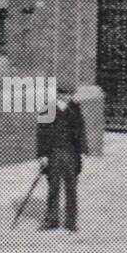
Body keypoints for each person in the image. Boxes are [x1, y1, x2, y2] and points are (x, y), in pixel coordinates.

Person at [36, 91, 87, 231]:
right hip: (53, 154)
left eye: (68, 93)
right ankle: (52, 220)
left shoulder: (75, 108)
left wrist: (82, 151)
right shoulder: (47, 108)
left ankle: (71, 222)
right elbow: (41, 132)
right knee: (53, 188)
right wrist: (42, 155)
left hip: (71, 153)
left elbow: (80, 130)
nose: (66, 96)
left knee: (71, 188)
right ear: (57, 94)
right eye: (62, 93)